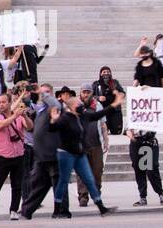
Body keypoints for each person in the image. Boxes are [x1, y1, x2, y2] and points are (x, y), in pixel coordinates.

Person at [49, 87, 120, 217]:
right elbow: (53, 128)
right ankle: (56, 210)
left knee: (89, 179)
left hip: (79, 153)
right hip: (65, 153)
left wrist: (114, 104)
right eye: (78, 104)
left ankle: (101, 207)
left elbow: (98, 115)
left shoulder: (84, 116)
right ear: (71, 107)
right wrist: (53, 120)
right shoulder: (65, 118)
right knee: (63, 181)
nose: (81, 105)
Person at [18, 86, 65, 220]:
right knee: (39, 184)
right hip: (42, 155)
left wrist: (41, 91)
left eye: (47, 92)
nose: (44, 95)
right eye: (43, 92)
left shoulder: (54, 109)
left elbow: (56, 103)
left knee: (57, 184)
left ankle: (61, 211)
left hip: (53, 154)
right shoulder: (41, 110)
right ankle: (27, 211)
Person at [0, 91, 30, 221]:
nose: (1, 104)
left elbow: (30, 127)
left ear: (9, 103)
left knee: (17, 185)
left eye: (4, 102)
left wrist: (24, 116)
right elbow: (0, 125)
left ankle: (14, 210)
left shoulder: (19, 117)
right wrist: (15, 116)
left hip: (18, 155)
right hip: (3, 157)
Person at [76, 82, 110, 209]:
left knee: (97, 171)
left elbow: (103, 124)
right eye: (83, 92)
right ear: (80, 92)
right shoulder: (75, 105)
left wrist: (106, 140)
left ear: (92, 93)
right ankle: (83, 196)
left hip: (96, 143)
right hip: (80, 145)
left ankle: (96, 193)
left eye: (88, 92)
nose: (85, 94)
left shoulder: (98, 105)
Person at [128, 127, 163, 207]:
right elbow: (127, 130)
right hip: (136, 142)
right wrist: (131, 136)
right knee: (138, 169)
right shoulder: (133, 115)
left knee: (151, 169)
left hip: (150, 141)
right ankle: (143, 197)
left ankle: (160, 193)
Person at [92, 66, 126, 135]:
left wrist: (118, 94)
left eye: (108, 72)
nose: (106, 73)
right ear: (100, 74)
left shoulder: (115, 82)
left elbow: (123, 93)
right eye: (104, 72)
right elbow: (90, 97)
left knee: (116, 132)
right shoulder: (96, 84)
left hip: (115, 110)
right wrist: (98, 98)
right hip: (103, 110)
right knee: (103, 131)